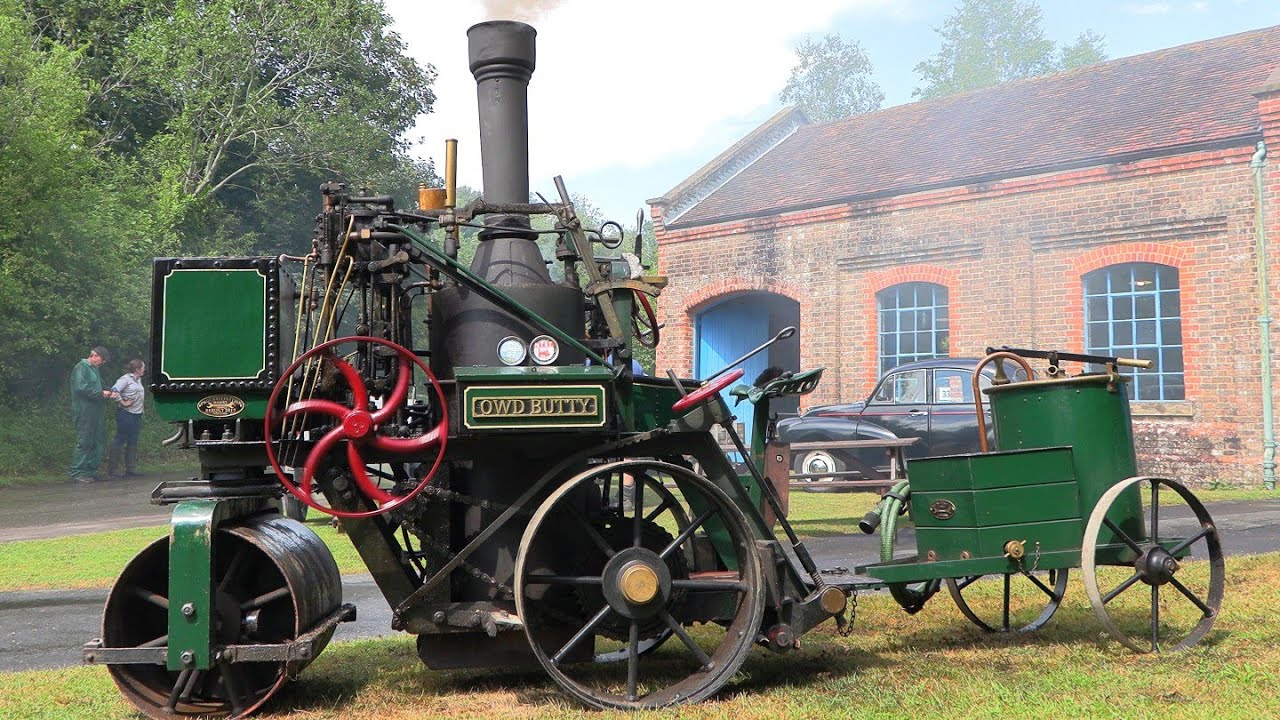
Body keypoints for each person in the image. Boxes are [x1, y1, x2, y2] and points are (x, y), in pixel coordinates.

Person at [69, 346, 117, 483]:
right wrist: (101, 394)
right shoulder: (81, 367)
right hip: (84, 411)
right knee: (84, 441)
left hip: (97, 411)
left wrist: (110, 391)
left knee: (99, 441)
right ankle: (77, 473)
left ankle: (91, 471)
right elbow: (81, 388)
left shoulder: (95, 369)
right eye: (102, 360)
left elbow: (102, 385)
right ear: (94, 355)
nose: (102, 363)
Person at [108, 359, 146, 478]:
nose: (144, 369)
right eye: (143, 367)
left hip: (136, 415)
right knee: (120, 439)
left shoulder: (138, 380)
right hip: (126, 414)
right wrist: (122, 402)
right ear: (137, 369)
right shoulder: (125, 379)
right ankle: (113, 470)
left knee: (132, 441)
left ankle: (130, 469)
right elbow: (114, 391)